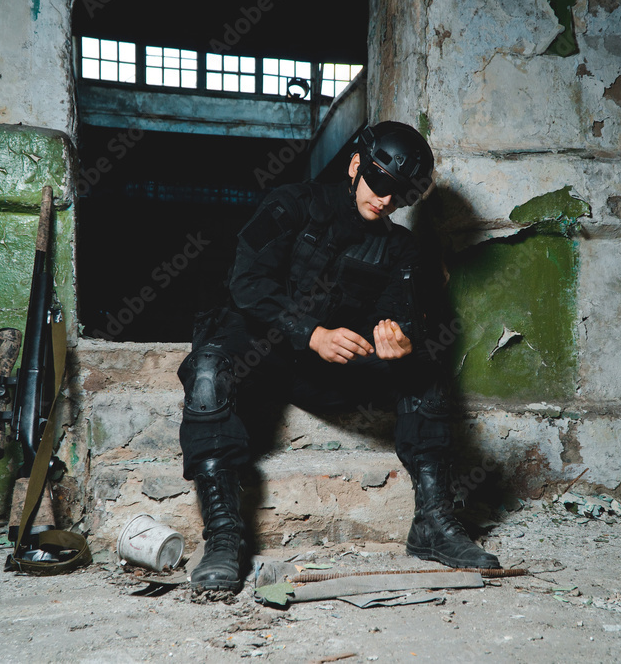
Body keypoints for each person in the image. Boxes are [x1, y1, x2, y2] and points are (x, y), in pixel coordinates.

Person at [178, 121, 500, 593]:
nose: (386, 199)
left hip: (325, 373)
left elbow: (401, 313)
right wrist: (311, 333)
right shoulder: (291, 204)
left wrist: (401, 336)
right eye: (380, 183)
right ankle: (224, 537)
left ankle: (432, 523)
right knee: (208, 371)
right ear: (355, 167)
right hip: (260, 354)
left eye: (401, 195)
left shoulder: (402, 250)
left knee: (426, 372)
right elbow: (246, 284)